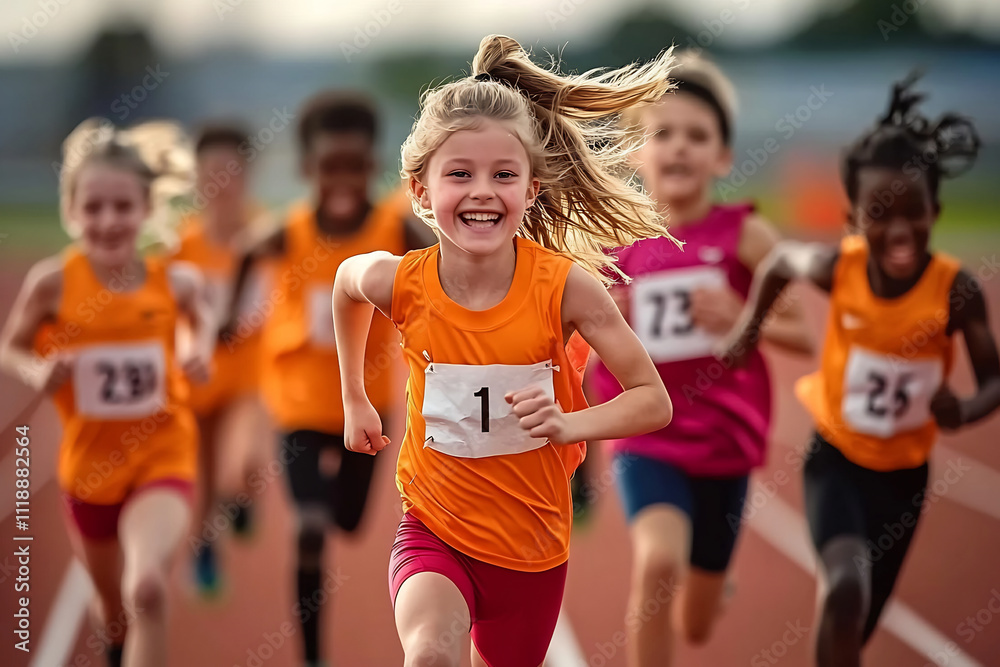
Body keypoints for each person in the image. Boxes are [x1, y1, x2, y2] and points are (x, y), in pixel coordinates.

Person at [333, 35, 676, 667]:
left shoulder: (565, 287)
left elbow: (652, 402)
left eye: (504, 175)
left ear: (534, 188)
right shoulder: (402, 281)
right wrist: (354, 397)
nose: (482, 192)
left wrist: (569, 424)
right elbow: (345, 283)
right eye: (459, 174)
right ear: (419, 190)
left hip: (533, 548)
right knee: (430, 654)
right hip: (433, 529)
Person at [721, 73, 999, 667]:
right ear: (852, 218)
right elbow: (776, 262)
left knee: (858, 621)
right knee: (845, 588)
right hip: (837, 462)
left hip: (905, 478)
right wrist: (748, 330)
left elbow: (993, 379)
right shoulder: (836, 269)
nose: (898, 230)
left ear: (937, 209)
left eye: (913, 213)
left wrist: (965, 409)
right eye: (879, 214)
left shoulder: (956, 292)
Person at [588, 51, 814, 666]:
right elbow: (582, 346)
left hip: (724, 445)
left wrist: (744, 318)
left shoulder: (746, 236)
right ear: (637, 152)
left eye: (698, 136)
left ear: (722, 157)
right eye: (663, 133)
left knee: (696, 624)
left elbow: (807, 336)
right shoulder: (617, 247)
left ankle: (713, 590)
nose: (680, 148)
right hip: (649, 437)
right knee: (658, 560)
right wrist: (613, 316)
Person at [227, 91, 432, 667]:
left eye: (355, 166)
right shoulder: (289, 232)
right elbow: (246, 251)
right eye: (328, 167)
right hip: (297, 405)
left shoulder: (396, 228)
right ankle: (312, 657)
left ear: (372, 167)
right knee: (311, 527)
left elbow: (444, 267)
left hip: (367, 408)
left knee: (347, 520)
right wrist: (227, 317)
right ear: (307, 169)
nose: (342, 179)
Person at [0, 118, 212, 667]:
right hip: (89, 468)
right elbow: (11, 347)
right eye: (93, 208)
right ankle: (117, 645)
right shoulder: (53, 282)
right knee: (111, 609)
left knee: (146, 590)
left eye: (123, 206)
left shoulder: (172, 279)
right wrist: (36, 369)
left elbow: (199, 309)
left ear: (145, 209)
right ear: (71, 212)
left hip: (162, 455)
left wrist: (197, 345)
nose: (109, 220)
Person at [170, 122, 271, 595]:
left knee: (240, 464)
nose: (222, 182)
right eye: (212, 172)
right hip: (195, 381)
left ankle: (244, 495)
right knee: (205, 477)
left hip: (248, 380)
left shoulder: (268, 235)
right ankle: (205, 549)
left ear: (248, 174)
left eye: (232, 171)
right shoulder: (181, 245)